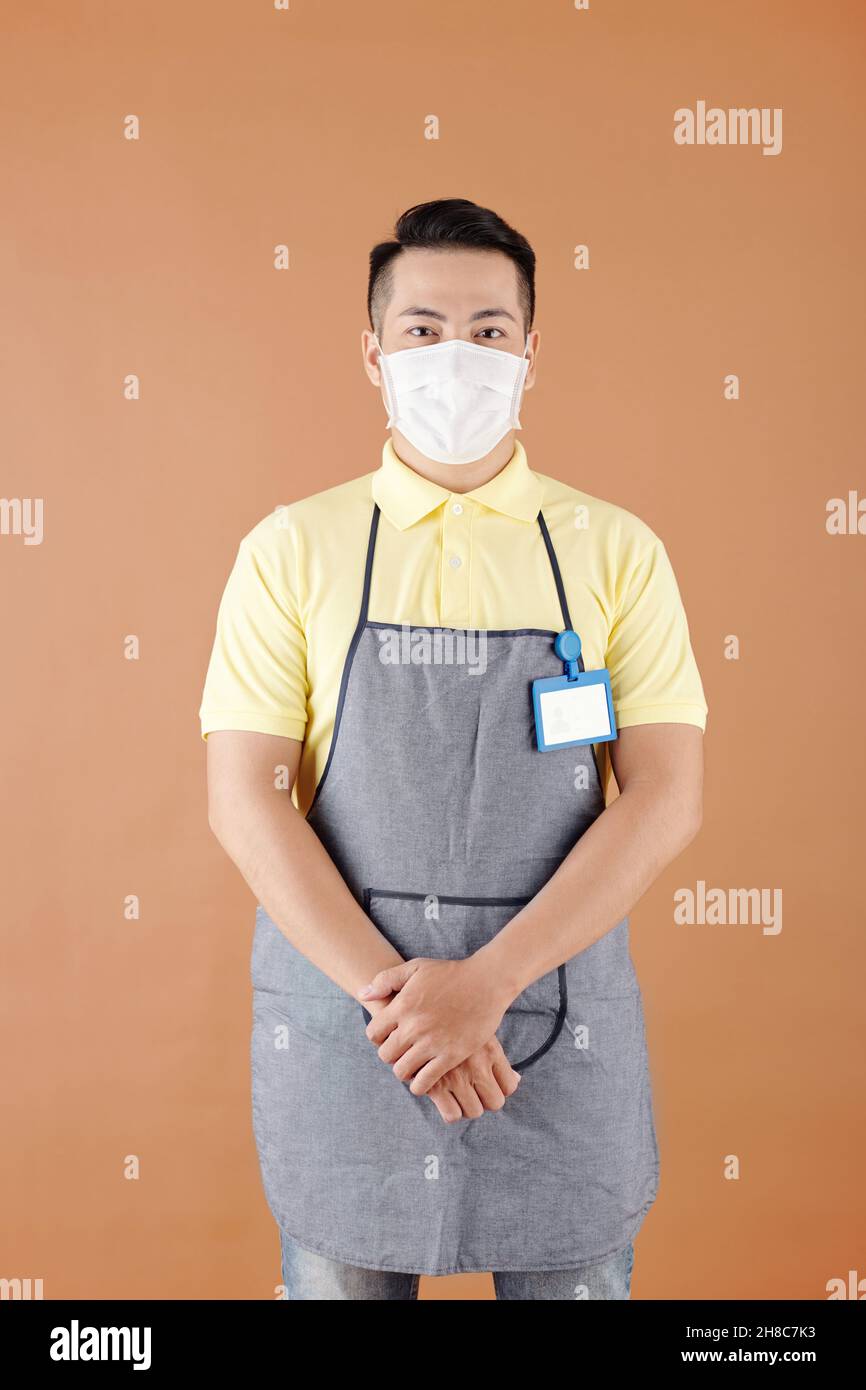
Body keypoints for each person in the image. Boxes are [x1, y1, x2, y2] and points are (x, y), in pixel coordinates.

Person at [199, 197, 707, 1301]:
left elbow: (664, 797)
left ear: (531, 352)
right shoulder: (293, 547)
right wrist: (416, 1008)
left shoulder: (612, 550)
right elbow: (246, 799)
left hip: (551, 1024)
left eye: (487, 329)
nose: (455, 357)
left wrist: (489, 984)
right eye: (422, 329)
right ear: (372, 353)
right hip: (356, 1029)